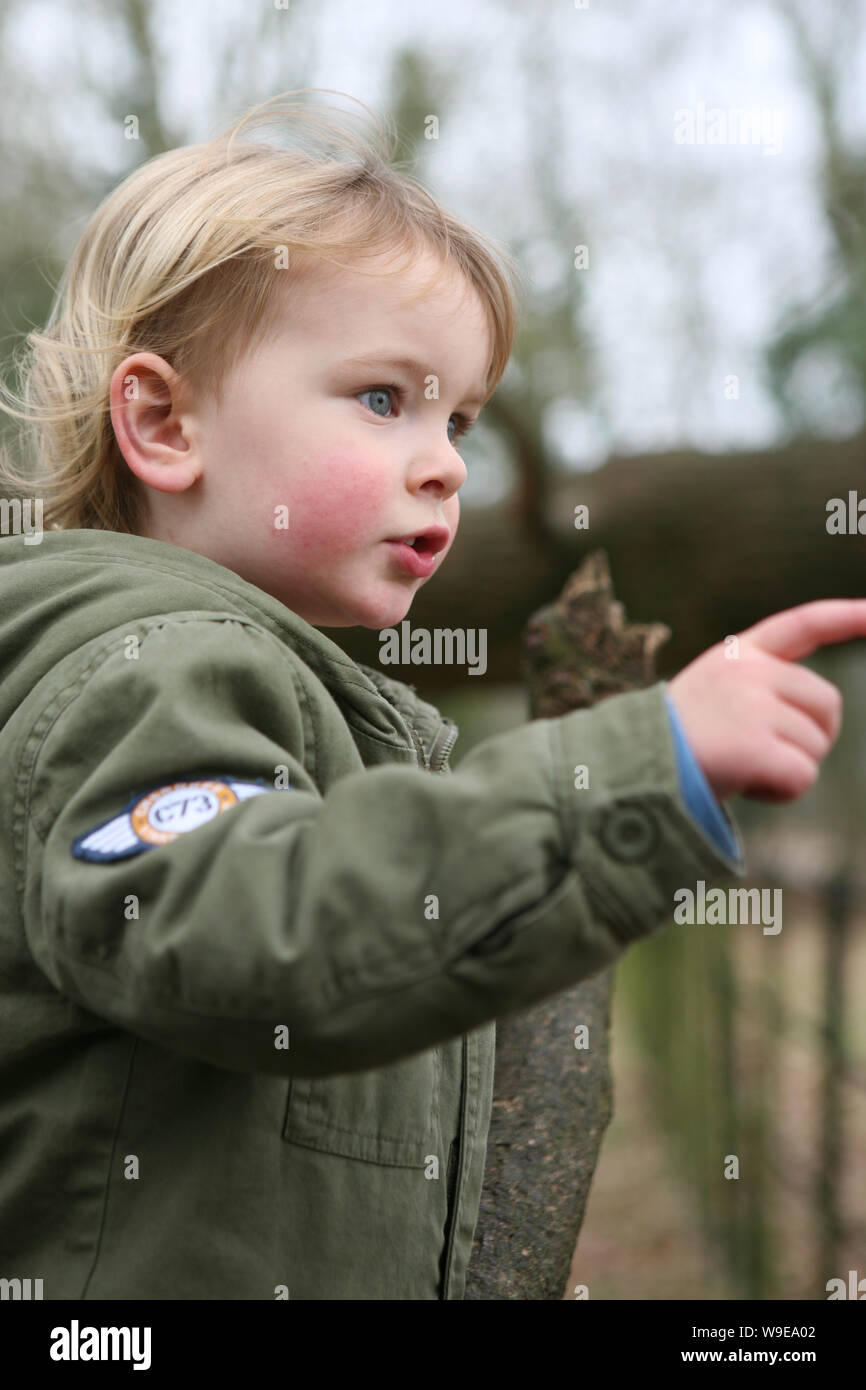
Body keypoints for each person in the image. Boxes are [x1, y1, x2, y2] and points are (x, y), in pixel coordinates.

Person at [0, 91, 859, 1301]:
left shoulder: (290, 695)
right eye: (381, 399)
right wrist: (627, 765)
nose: (447, 460)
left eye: (457, 416)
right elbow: (257, 927)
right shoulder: (142, 666)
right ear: (161, 420)